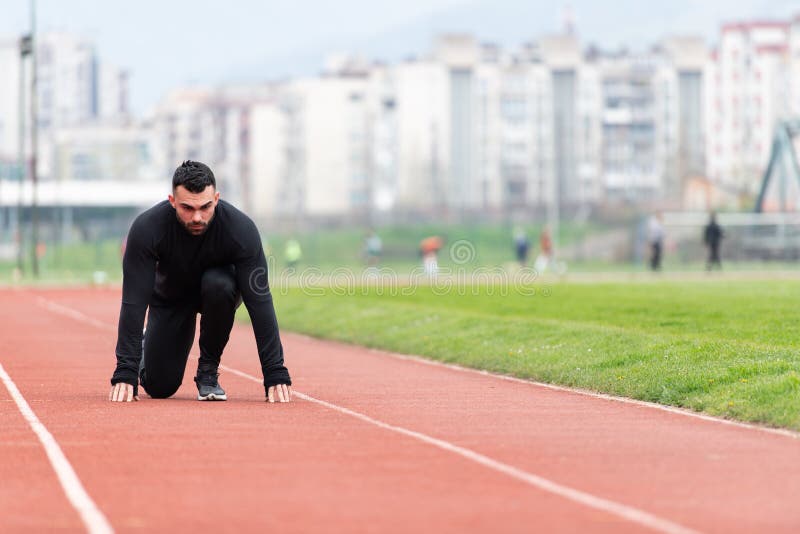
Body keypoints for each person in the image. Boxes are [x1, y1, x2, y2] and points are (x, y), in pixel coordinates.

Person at [108, 161, 292, 403]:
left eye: (205, 207)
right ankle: (147, 345)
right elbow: (134, 301)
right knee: (160, 387)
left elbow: (260, 301)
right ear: (172, 201)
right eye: (187, 208)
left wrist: (274, 370)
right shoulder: (147, 229)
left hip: (219, 292)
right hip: (171, 298)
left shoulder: (240, 230)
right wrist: (126, 369)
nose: (197, 216)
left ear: (216, 198)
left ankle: (207, 372)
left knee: (220, 284)